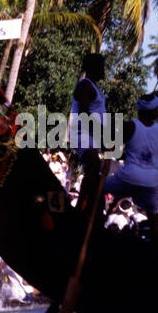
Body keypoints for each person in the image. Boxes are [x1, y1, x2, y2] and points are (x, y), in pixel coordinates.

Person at [103, 94, 158, 233]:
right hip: (150, 180)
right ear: (153, 112)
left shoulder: (131, 125)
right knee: (153, 218)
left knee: (98, 186)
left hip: (129, 175)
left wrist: (106, 167)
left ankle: (94, 223)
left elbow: (111, 146)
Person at [70, 52, 108, 209]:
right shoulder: (85, 85)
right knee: (93, 168)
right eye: (102, 67)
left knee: (93, 172)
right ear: (94, 68)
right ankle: (80, 209)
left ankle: (88, 209)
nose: (104, 71)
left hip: (91, 136)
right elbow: (84, 113)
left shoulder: (92, 86)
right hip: (83, 134)